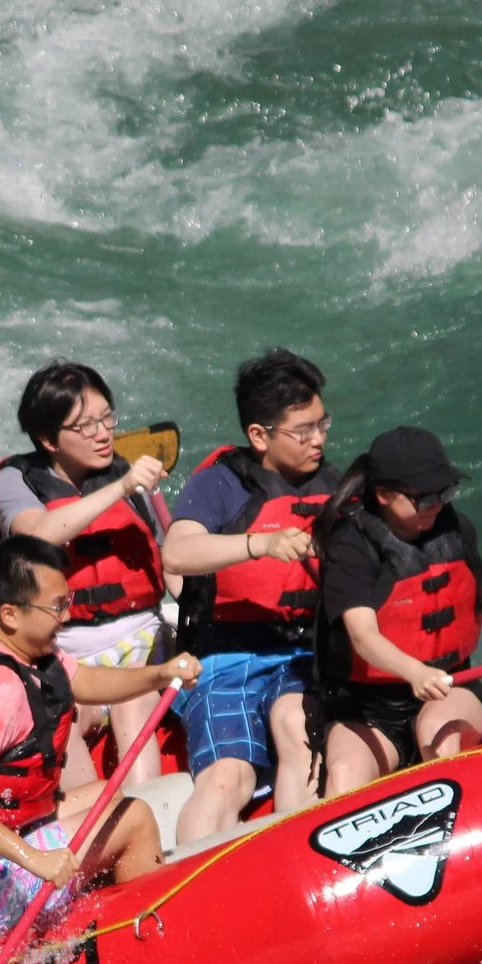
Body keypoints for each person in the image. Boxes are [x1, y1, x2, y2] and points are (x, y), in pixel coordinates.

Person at [0, 537, 198, 939]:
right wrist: (37, 860)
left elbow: (86, 680)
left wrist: (159, 674)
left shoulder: (24, 651)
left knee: (108, 794)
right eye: (57, 606)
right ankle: (145, 938)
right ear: (10, 614)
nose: (67, 614)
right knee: (136, 818)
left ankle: (99, 902)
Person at [313, 427, 482, 795]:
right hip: (369, 709)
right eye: (424, 498)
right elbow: (362, 635)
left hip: (450, 688)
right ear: (385, 494)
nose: (437, 505)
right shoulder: (352, 547)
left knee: (440, 743)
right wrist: (412, 671)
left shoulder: (451, 526)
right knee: (343, 775)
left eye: (444, 492)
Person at [159, 349, 339, 846]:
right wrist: (259, 544)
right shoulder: (219, 484)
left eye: (322, 423)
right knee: (227, 776)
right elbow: (176, 553)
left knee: (298, 734)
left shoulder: (338, 487)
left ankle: (297, 864)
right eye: (303, 431)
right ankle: (194, 885)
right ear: (260, 435)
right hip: (224, 654)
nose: (319, 439)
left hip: (303, 654)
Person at [0, 361, 173, 787]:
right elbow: (40, 535)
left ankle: (151, 816)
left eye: (107, 418)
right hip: (63, 653)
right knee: (61, 716)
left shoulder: (128, 474)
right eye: (85, 426)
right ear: (49, 438)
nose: (104, 433)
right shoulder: (15, 481)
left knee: (132, 697)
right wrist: (121, 489)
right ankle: (86, 825)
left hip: (139, 640)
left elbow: (169, 564)